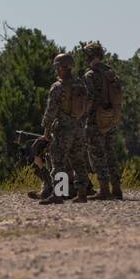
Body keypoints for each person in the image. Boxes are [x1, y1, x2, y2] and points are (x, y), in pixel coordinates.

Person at [38, 52, 90, 204]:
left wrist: (46, 132)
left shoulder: (58, 87)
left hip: (63, 131)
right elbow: (85, 107)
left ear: (60, 68)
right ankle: (82, 193)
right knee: (79, 161)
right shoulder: (81, 85)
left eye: (57, 67)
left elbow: (50, 112)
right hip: (79, 129)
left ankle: (59, 194)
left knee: (58, 161)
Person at [80, 41, 124, 200]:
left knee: (97, 154)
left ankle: (104, 189)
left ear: (90, 56)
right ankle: (117, 188)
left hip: (95, 120)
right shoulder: (111, 73)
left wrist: (82, 113)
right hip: (110, 118)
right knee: (111, 153)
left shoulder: (90, 75)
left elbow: (90, 98)